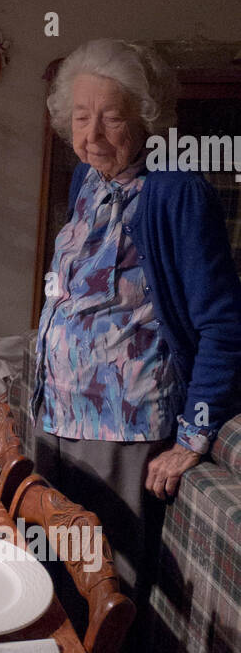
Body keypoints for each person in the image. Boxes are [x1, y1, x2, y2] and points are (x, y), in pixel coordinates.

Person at [31, 38, 241, 592]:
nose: (92, 135)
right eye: (80, 117)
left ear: (146, 121)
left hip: (121, 425)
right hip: (57, 412)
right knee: (52, 567)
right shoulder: (88, 179)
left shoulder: (177, 193)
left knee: (102, 583)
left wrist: (193, 437)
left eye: (112, 118)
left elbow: (222, 321)